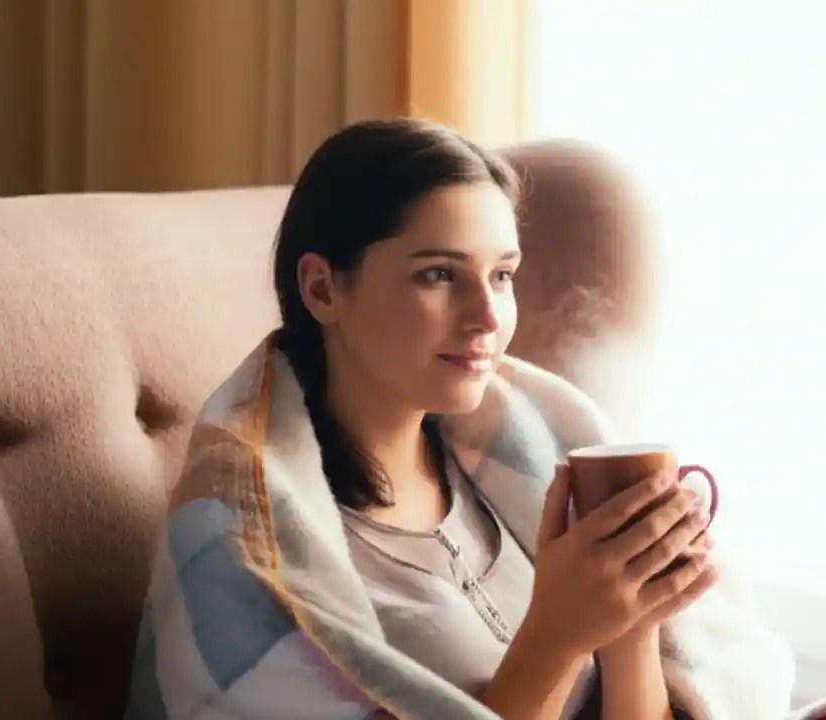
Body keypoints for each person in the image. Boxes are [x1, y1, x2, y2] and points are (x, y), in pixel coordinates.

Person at [126, 118, 792, 720]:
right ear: (323, 288)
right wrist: (558, 635)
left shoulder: (518, 456)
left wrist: (630, 622)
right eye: (440, 275)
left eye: (502, 276)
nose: (487, 317)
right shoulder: (248, 545)